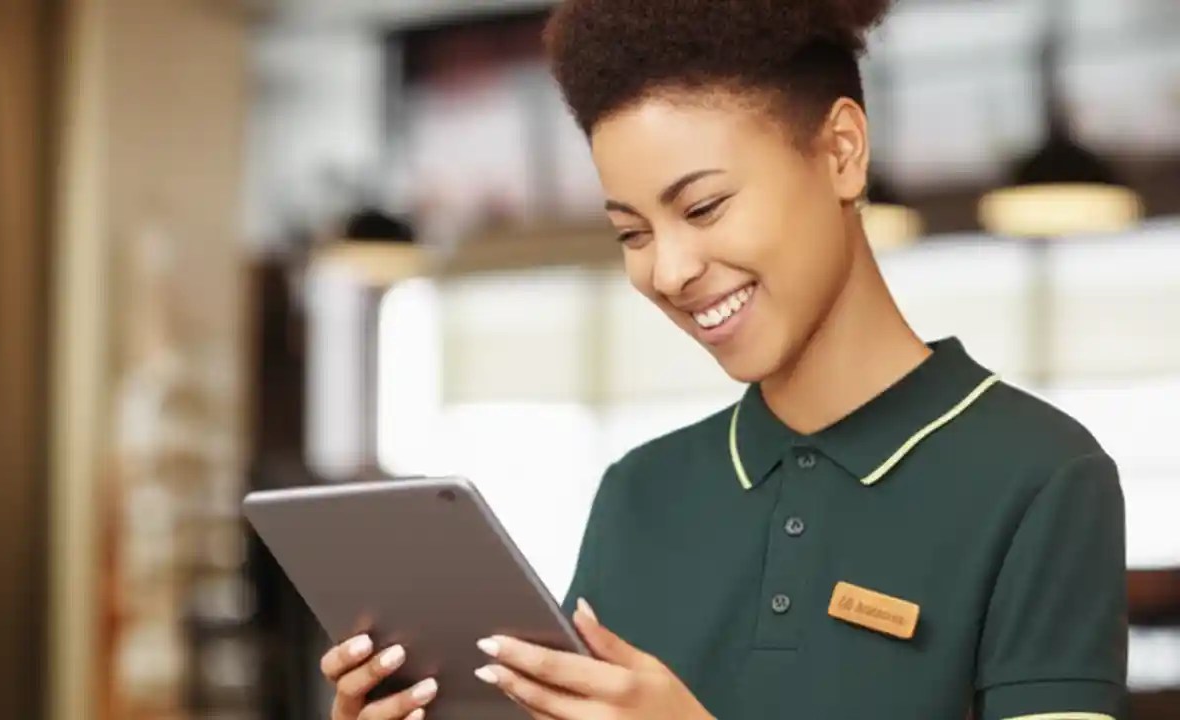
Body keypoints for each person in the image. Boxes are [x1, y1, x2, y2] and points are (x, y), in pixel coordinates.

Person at [317, 0, 1129, 718]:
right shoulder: (640, 493)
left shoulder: (1040, 477)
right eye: (632, 233)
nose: (667, 272)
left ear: (842, 151)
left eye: (703, 206)